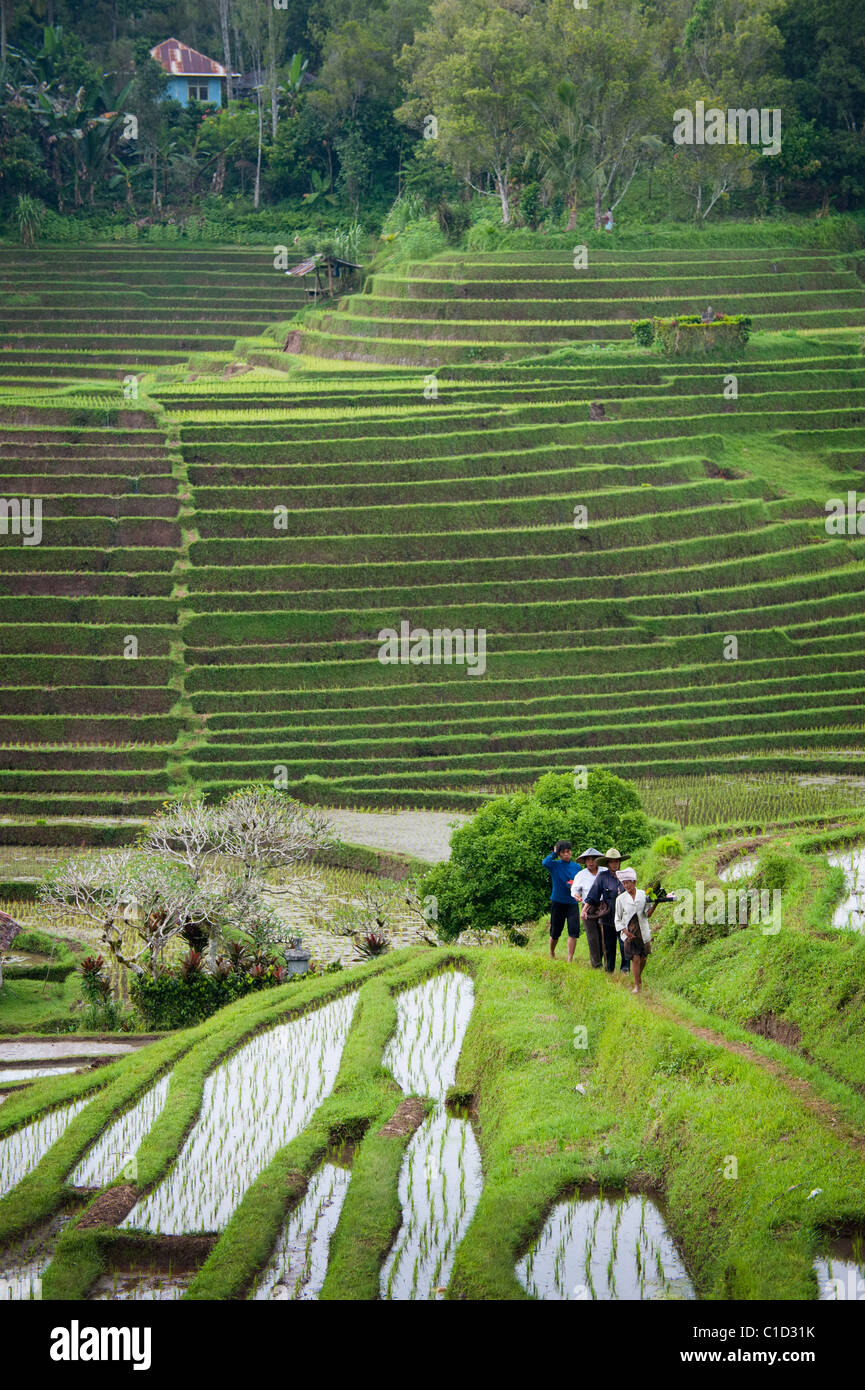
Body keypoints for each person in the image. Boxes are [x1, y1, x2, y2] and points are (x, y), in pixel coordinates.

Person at [615, 868, 660, 994]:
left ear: (634, 882)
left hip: (643, 931)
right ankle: (637, 985)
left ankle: (637, 978)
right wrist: (625, 931)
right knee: (635, 958)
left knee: (643, 958)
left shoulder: (642, 895)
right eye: (624, 883)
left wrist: (656, 904)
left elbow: (648, 914)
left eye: (628, 882)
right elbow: (617, 919)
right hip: (629, 932)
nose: (626, 885)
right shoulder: (620, 899)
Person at [583, 847, 628, 974]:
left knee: (625, 944)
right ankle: (609, 970)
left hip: (624, 917)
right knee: (608, 946)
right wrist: (584, 910)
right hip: (608, 916)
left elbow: (633, 893)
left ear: (619, 862)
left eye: (617, 861)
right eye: (612, 861)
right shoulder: (602, 877)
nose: (614, 864)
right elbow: (593, 895)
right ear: (608, 863)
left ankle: (625, 969)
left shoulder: (626, 876)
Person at [542, 840, 580, 961]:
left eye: (568, 851)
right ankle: (552, 952)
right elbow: (545, 863)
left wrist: (575, 888)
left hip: (572, 902)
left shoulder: (577, 867)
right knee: (555, 932)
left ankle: (570, 958)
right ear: (559, 853)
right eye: (563, 852)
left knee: (573, 931)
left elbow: (580, 884)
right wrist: (554, 852)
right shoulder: (554, 865)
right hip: (558, 902)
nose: (566, 854)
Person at [570, 847, 603, 968]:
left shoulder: (604, 871)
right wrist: (576, 895)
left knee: (603, 936)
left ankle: (604, 961)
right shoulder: (581, 875)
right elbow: (574, 889)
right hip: (587, 907)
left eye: (593, 859)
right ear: (585, 861)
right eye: (588, 860)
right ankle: (596, 964)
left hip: (603, 906)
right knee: (592, 936)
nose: (591, 862)